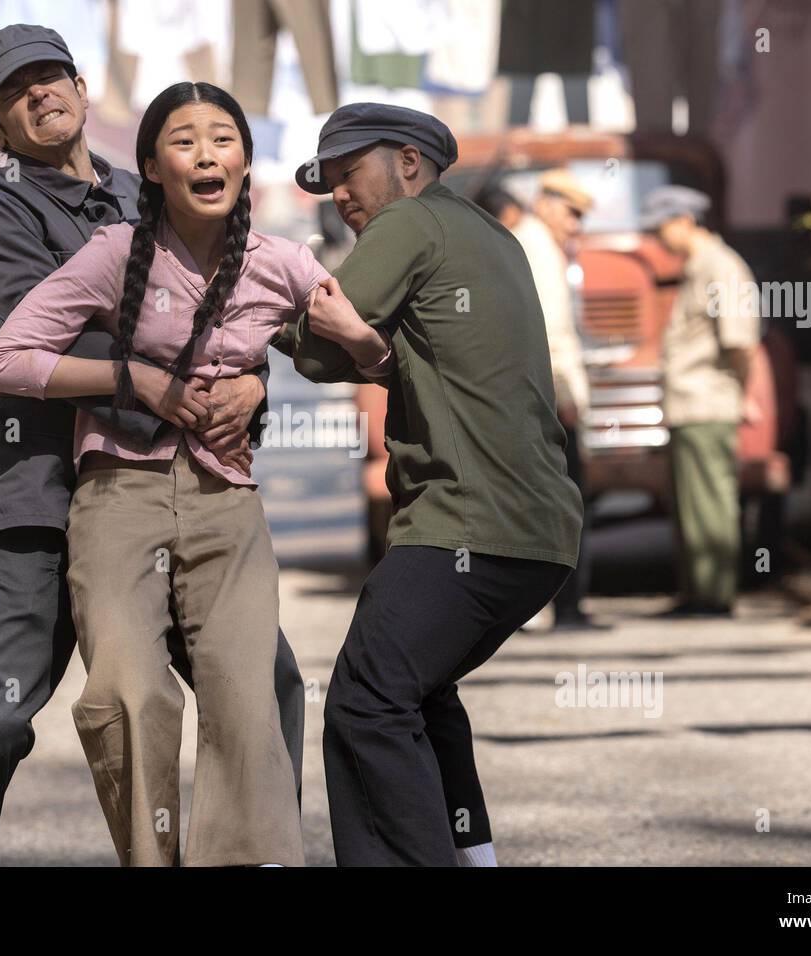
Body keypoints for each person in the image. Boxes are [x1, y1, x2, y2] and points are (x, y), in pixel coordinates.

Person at [0, 26, 306, 867]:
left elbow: (240, 303)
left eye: (53, 75)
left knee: (265, 682)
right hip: (40, 493)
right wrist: (170, 377)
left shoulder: (153, 186)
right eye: (14, 93)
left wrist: (253, 386)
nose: (40, 93)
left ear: (86, 90)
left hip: (169, 486)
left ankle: (259, 855)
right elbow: (41, 346)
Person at [0, 82, 393, 867]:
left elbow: (370, 355)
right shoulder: (111, 256)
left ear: (245, 163)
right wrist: (131, 378)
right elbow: (4, 359)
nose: (207, 154)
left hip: (226, 506)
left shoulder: (284, 264)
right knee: (128, 694)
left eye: (223, 139)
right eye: (184, 140)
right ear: (151, 170)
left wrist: (356, 346)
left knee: (244, 698)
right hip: (117, 498)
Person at [274, 103, 582, 866]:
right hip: (539, 529)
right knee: (420, 688)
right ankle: (473, 854)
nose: (340, 194)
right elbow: (391, 346)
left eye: (351, 173)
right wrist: (371, 351)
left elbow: (319, 347)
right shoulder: (492, 235)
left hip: (465, 522)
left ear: (409, 163)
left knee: (367, 702)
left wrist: (251, 295)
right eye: (329, 183)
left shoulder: (406, 225)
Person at [477, 171, 604, 630]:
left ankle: (560, 605)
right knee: (559, 505)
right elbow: (546, 333)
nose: (576, 225)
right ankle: (563, 606)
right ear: (546, 203)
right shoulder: (536, 245)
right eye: (571, 213)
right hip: (549, 395)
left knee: (552, 504)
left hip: (544, 394)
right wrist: (564, 396)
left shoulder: (542, 244)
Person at [640, 185, 760, 617]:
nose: (657, 239)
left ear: (684, 222)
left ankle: (714, 595)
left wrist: (742, 395)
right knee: (689, 503)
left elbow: (740, 343)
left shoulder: (721, 267)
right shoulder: (699, 266)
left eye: (661, 228)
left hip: (708, 400)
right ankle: (696, 591)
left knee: (709, 500)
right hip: (690, 403)